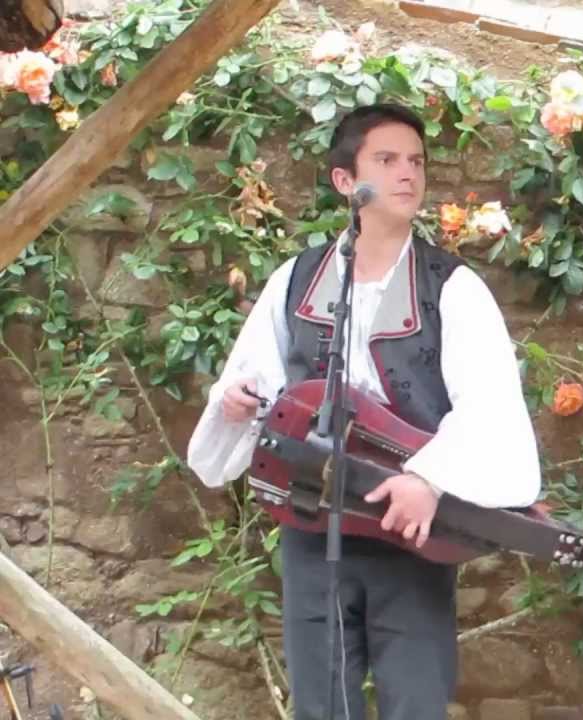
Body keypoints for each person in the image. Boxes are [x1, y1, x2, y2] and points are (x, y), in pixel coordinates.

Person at [186, 103, 542, 720]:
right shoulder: (296, 281)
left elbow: (490, 407)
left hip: (409, 536)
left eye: (416, 161)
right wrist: (237, 401)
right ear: (345, 182)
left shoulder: (452, 288)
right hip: (310, 527)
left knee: (415, 706)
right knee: (321, 709)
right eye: (387, 160)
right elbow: (250, 386)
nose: (408, 174)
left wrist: (428, 480)